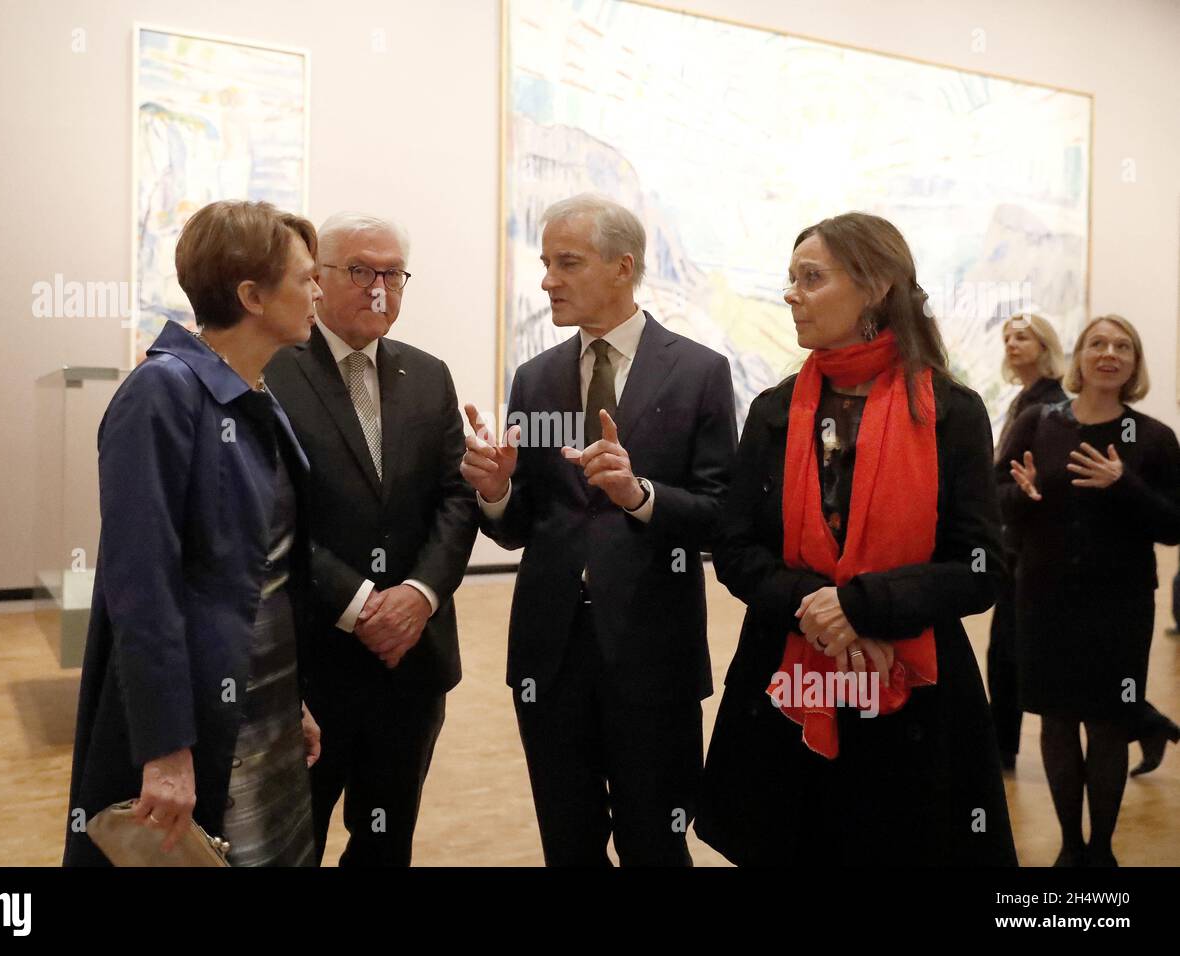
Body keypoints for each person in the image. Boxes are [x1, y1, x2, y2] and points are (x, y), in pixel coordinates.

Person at [696, 212, 1017, 866]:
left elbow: (981, 567)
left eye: (810, 278)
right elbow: (733, 548)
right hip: (789, 685)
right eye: (791, 279)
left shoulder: (951, 412)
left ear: (874, 286)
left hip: (916, 702)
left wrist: (862, 606)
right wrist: (819, 604)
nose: (791, 294)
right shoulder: (775, 410)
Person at [462, 193, 737, 866]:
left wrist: (640, 495)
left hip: (654, 654)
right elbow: (522, 522)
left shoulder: (699, 371)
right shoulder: (536, 377)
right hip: (549, 658)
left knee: (655, 843)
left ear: (623, 267)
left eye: (567, 262)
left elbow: (720, 512)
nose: (548, 279)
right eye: (545, 263)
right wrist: (497, 493)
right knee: (570, 843)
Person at [64, 200, 324, 866]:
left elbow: (268, 574)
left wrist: (286, 698)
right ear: (252, 296)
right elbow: (141, 585)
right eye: (305, 277)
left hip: (258, 708)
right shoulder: (163, 392)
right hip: (194, 724)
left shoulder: (254, 394)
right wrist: (164, 749)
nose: (318, 291)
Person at [265, 213, 478, 866]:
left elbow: (456, 497)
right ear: (318, 280)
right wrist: (360, 605)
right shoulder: (272, 372)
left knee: (387, 843)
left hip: (411, 664)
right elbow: (271, 519)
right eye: (360, 270)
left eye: (392, 274)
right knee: (288, 844)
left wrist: (418, 594)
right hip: (309, 661)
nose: (378, 287)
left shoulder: (429, 375)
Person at [999, 314, 1180, 865]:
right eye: (1097, 343)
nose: (1109, 353)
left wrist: (1123, 485)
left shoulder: (1152, 437)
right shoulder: (1038, 422)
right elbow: (996, 494)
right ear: (1078, 357)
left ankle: (1100, 850)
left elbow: (1173, 525)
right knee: (1056, 721)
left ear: (1134, 364)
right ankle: (1070, 847)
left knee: (1108, 721)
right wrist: (1020, 496)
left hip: (1119, 605)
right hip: (1045, 596)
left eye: (1123, 345)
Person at [988, 313, 1068, 771]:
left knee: (1014, 651)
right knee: (1014, 649)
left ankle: (1002, 749)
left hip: (1030, 549)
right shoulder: (1026, 400)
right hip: (1017, 544)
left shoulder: (1050, 405)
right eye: (1007, 338)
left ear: (1045, 345)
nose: (1012, 344)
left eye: (1023, 337)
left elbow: (1033, 482)